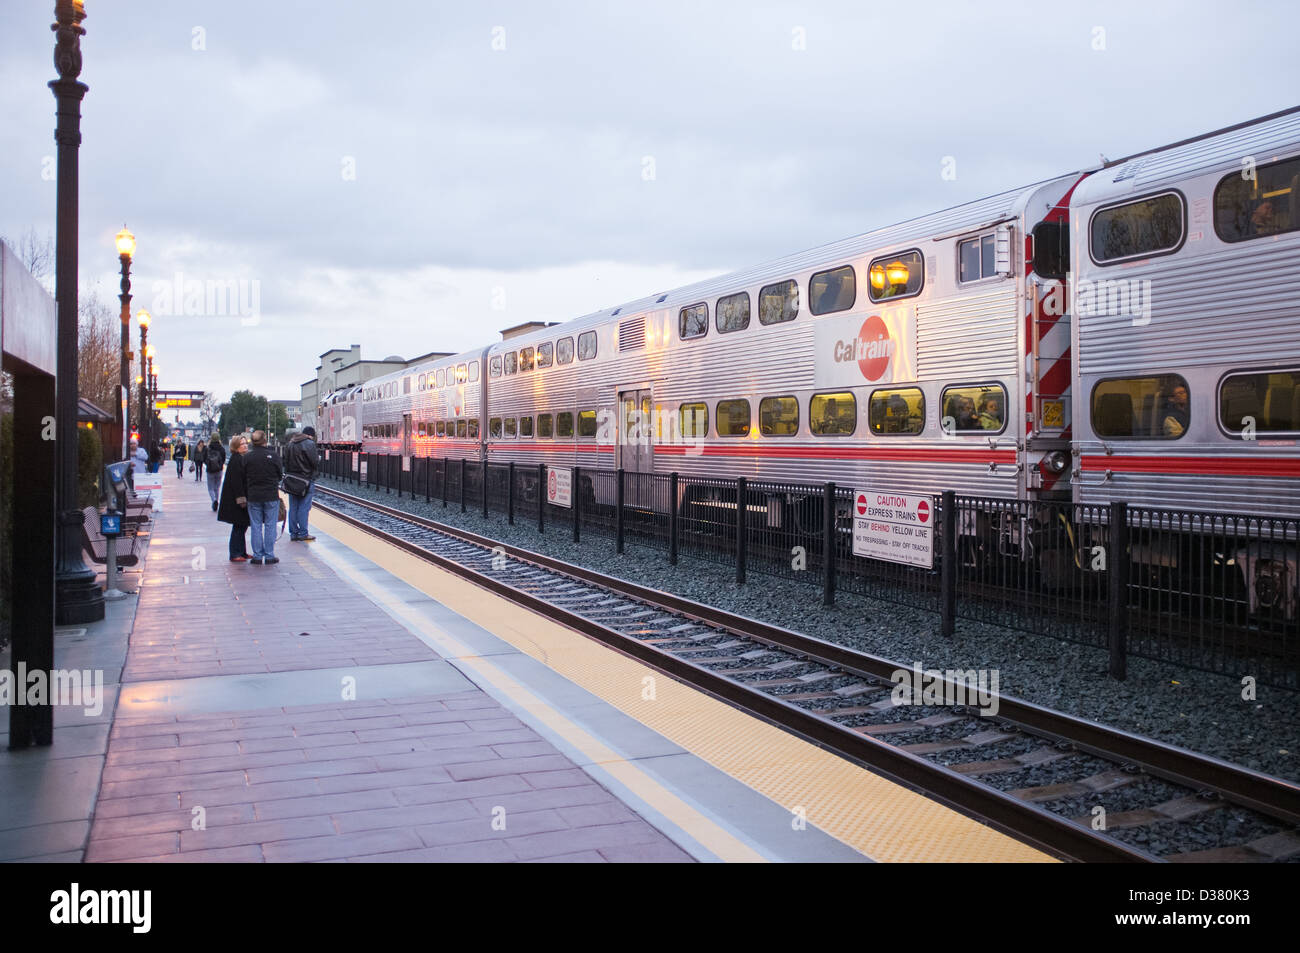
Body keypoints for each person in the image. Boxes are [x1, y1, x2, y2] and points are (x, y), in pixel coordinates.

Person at [241, 429, 283, 565]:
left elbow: (243, 476)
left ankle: (257, 556)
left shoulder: (247, 457)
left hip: (253, 495)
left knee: (256, 525)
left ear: (252, 442)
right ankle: (270, 555)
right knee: (270, 525)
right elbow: (279, 475)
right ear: (265, 440)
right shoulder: (274, 456)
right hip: (271, 495)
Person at [217, 435, 251, 562]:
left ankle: (241, 551)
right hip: (236, 500)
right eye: (242, 444)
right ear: (236, 447)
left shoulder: (239, 458)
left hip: (236, 499)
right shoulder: (237, 460)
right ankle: (235, 553)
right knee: (239, 526)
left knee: (241, 526)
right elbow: (237, 482)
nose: (245, 445)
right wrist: (242, 499)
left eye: (245, 443)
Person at [284, 425, 321, 542]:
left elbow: (285, 461)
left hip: (291, 479)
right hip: (306, 480)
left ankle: (293, 533)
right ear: (310, 435)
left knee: (293, 507)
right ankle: (303, 533)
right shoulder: (309, 444)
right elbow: (314, 462)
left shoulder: (290, 443)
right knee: (304, 507)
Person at [204, 437, 227, 511]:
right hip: (219, 470)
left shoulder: (207, 448)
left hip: (210, 470)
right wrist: (220, 465)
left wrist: (208, 465)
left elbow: (204, 459)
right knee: (217, 488)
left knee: (210, 488)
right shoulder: (222, 448)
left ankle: (214, 500)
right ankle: (217, 501)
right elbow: (223, 459)